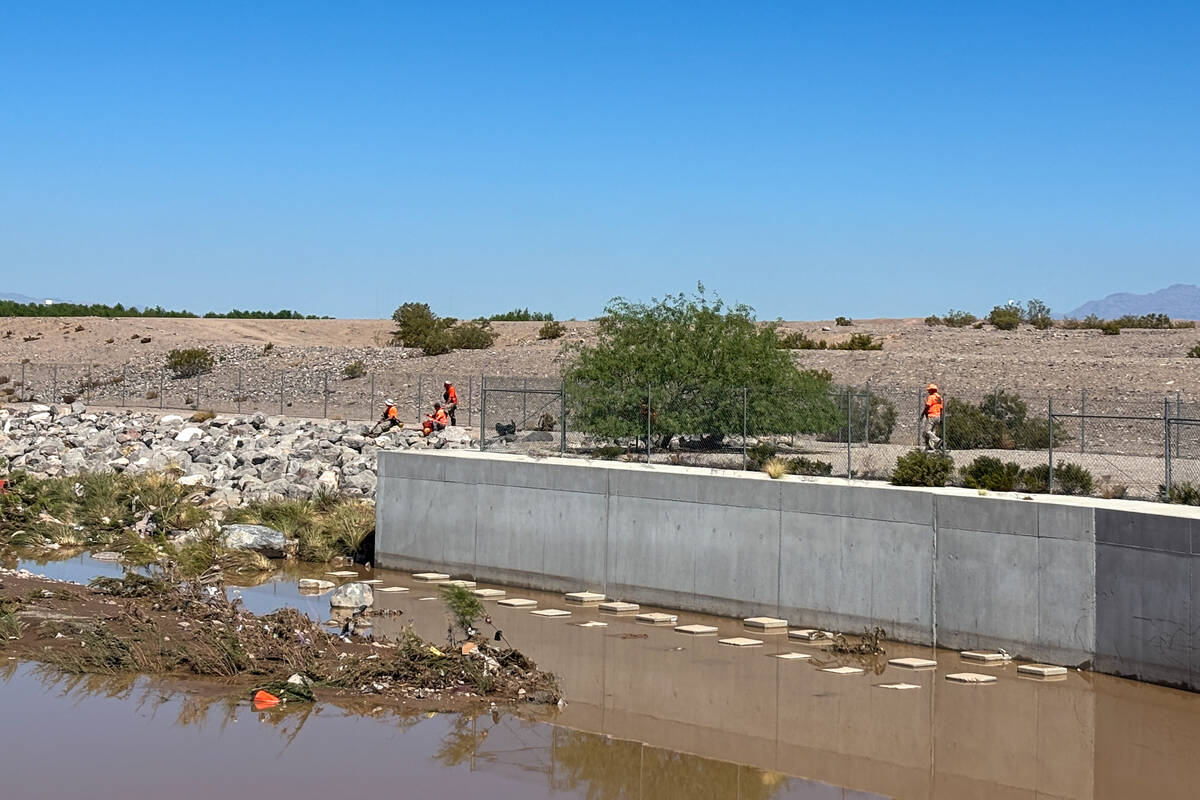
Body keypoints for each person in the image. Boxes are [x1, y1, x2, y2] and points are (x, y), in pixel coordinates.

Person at [920, 383, 943, 450]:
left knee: (927, 431)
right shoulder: (939, 398)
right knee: (933, 432)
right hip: (938, 416)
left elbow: (927, 406)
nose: (928, 391)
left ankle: (938, 440)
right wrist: (940, 417)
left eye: (929, 390)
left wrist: (923, 414)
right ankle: (931, 446)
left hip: (931, 415)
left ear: (932, 390)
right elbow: (941, 408)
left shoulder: (931, 397)